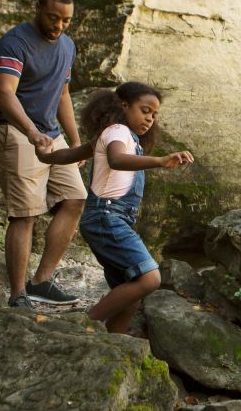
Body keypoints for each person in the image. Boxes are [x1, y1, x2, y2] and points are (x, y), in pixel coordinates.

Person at [37, 82, 193, 333]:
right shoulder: (117, 131)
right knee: (150, 278)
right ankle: (82, 325)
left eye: (154, 115)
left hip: (111, 219)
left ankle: (112, 340)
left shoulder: (120, 137)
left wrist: (45, 156)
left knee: (131, 292)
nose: (150, 119)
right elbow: (117, 160)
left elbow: (72, 155)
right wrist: (160, 161)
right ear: (123, 106)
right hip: (106, 217)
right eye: (145, 110)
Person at [0, 0, 87, 309]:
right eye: (53, 17)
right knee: (25, 213)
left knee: (75, 198)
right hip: (13, 130)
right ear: (38, 8)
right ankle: (18, 296)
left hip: (50, 134)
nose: (59, 25)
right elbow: (5, 93)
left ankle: (41, 282)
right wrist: (30, 132)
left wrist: (75, 140)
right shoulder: (14, 42)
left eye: (66, 20)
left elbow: (62, 94)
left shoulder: (67, 46)